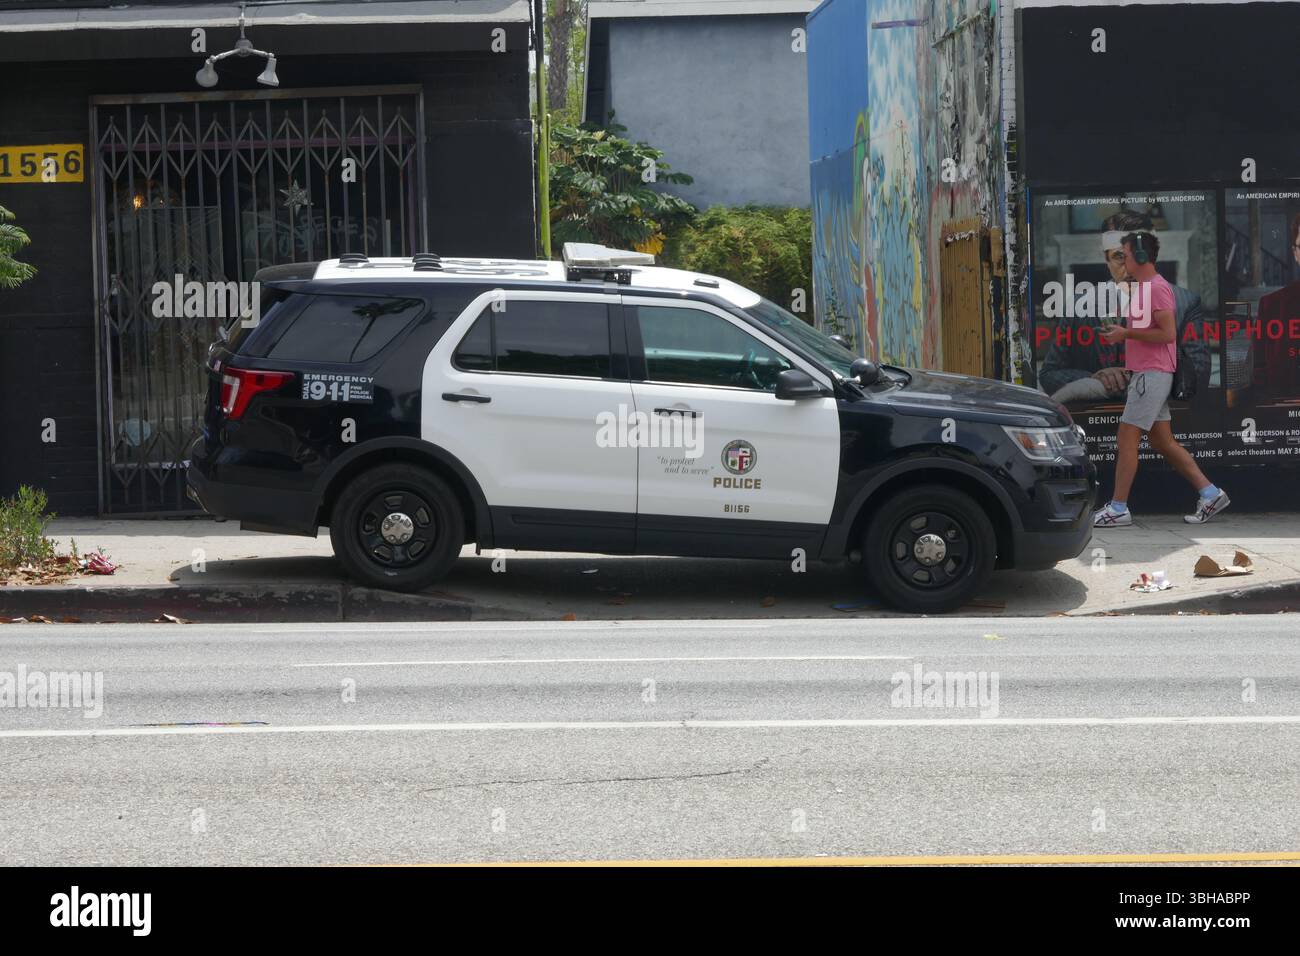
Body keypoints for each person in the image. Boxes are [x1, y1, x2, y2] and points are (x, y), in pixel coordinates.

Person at [1093, 232, 1229, 526]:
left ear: (1140, 256)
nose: (1123, 259)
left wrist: (1126, 333)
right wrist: (1121, 335)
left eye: (1126, 253)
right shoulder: (1145, 288)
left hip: (1152, 375)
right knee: (1162, 440)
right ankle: (1210, 493)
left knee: (1126, 437)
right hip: (1149, 374)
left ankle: (1118, 509)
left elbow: (1168, 334)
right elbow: (1150, 334)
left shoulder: (1155, 289)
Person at [1039, 212, 1210, 401]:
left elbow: (1199, 375)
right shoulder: (1080, 304)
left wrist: (1135, 376)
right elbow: (1049, 374)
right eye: (1119, 257)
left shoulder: (1185, 303)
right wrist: (1097, 378)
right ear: (1106, 259)